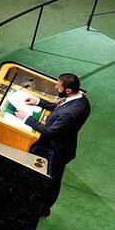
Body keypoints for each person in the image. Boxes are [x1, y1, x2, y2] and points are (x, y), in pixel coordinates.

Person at [15, 72, 91, 214]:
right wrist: (39, 102)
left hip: (56, 150)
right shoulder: (80, 99)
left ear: (68, 90)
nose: (56, 87)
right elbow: (60, 107)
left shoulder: (70, 113)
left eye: (58, 86)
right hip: (61, 145)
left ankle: (44, 208)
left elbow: (51, 132)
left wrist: (27, 119)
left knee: (51, 179)